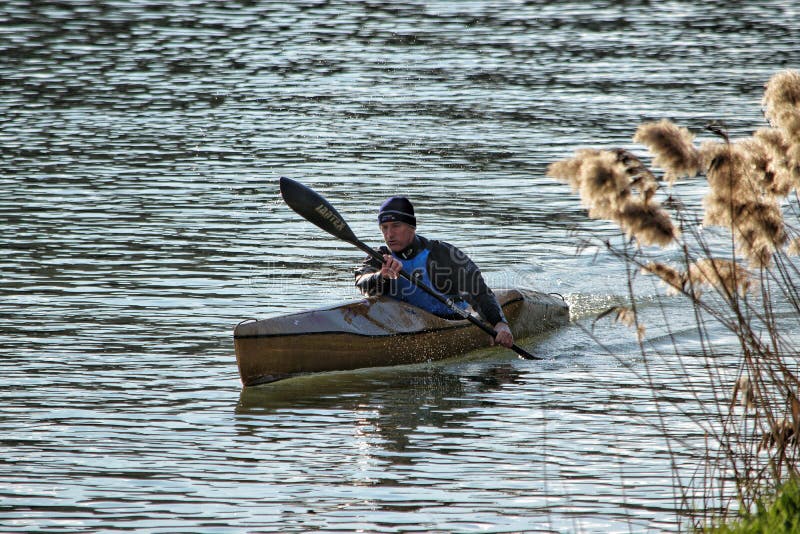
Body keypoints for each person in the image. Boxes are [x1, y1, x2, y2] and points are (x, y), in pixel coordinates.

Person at [354, 196, 514, 348]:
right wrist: (381, 276)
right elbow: (361, 281)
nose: (389, 234)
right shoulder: (379, 257)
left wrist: (500, 323)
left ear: (412, 227)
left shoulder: (443, 254)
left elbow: (478, 290)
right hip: (398, 326)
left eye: (396, 226)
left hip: (449, 321)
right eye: (384, 228)